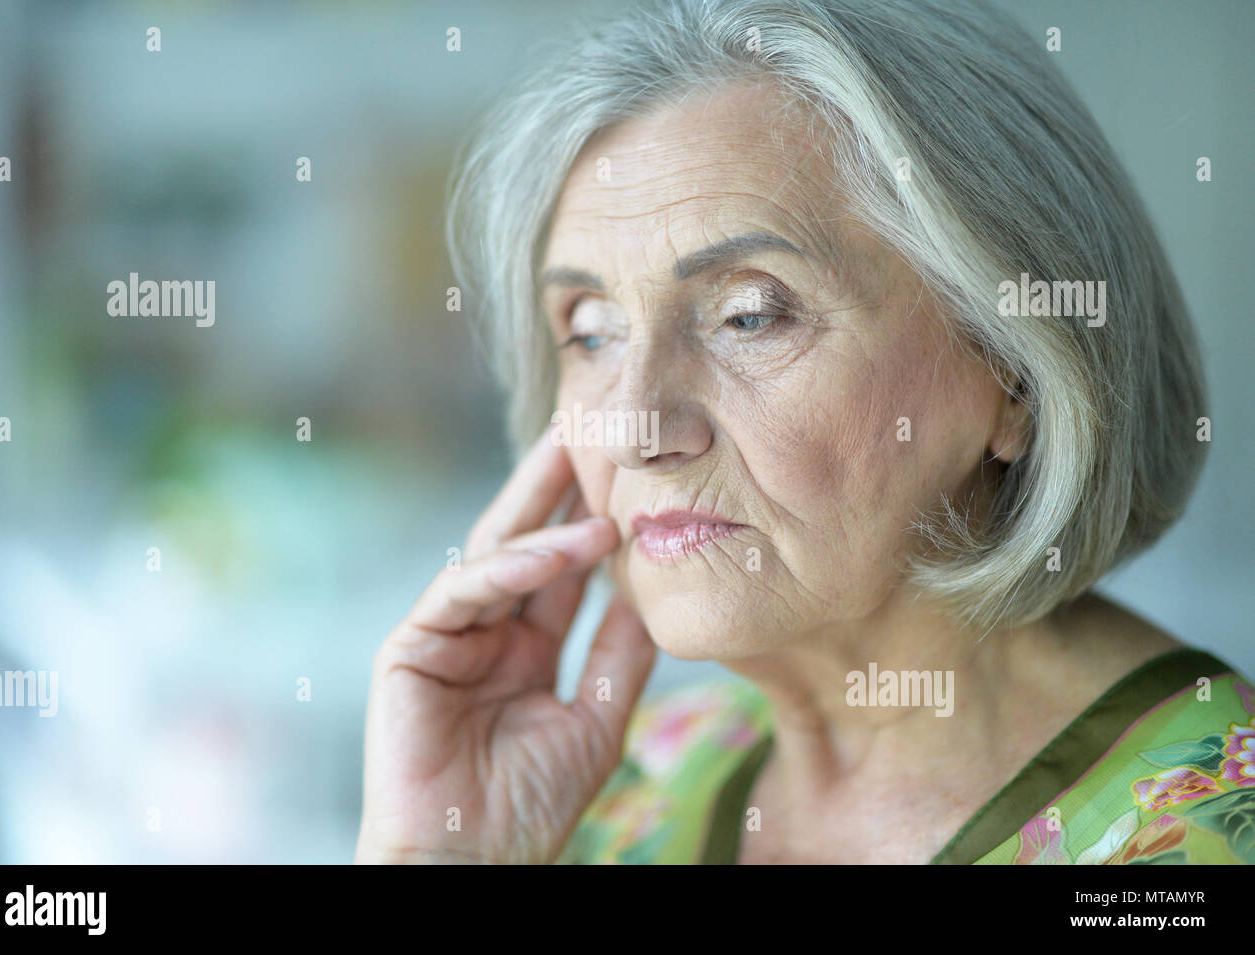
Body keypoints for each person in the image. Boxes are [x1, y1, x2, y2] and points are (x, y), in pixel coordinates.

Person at [355, 0, 1251, 864]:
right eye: (590, 331)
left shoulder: (1205, 832)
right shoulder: (637, 777)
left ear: (1016, 371)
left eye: (750, 315)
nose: (633, 427)